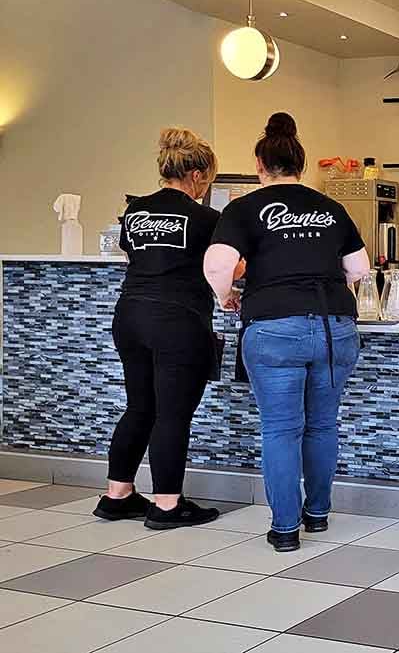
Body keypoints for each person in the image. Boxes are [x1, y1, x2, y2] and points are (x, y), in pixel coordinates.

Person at [204, 112, 370, 552]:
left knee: (281, 429)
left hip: (274, 327)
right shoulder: (331, 207)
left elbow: (218, 264)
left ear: (260, 164)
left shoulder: (244, 208)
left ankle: (284, 530)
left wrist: (226, 297)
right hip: (334, 326)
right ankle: (317, 514)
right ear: (302, 162)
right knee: (321, 426)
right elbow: (360, 268)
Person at [94, 128, 222, 530]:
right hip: (177, 320)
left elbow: (136, 256)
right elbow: (221, 268)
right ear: (198, 175)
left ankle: (118, 496)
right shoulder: (205, 219)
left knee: (139, 405)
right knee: (172, 413)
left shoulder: (133, 212)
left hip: (129, 316)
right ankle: (167, 505)